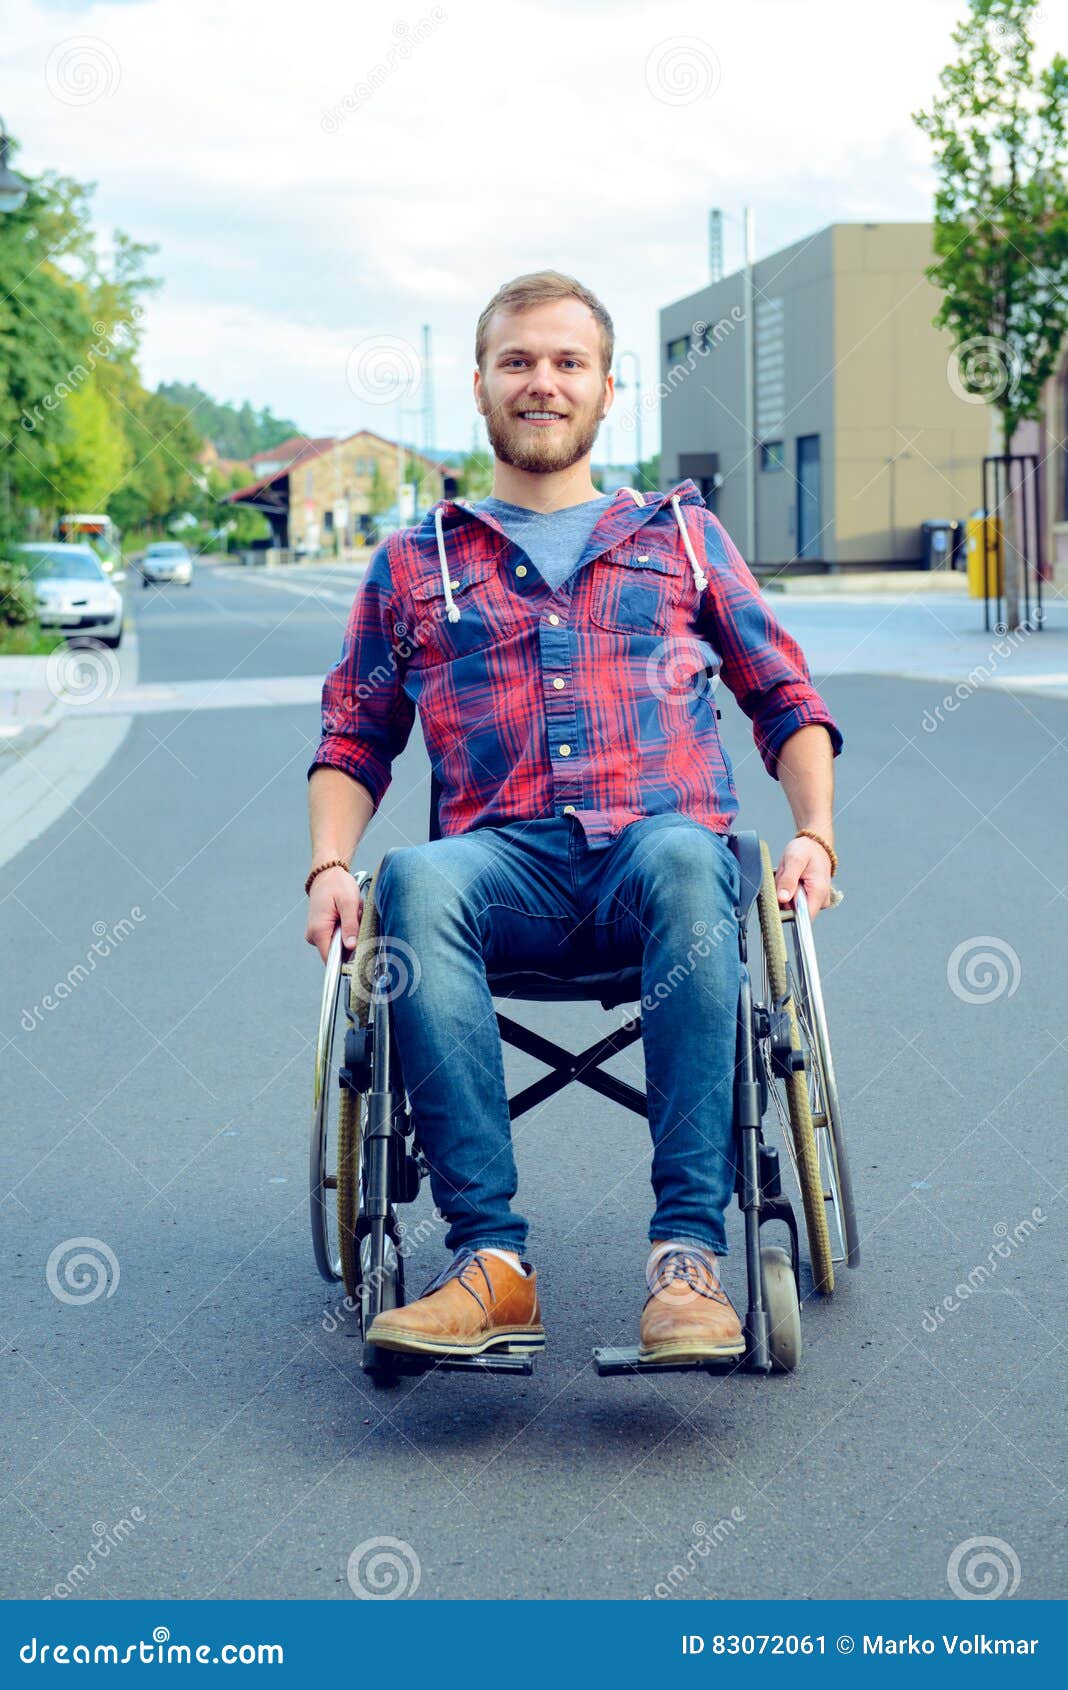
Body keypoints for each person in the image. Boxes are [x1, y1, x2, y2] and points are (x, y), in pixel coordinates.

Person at [305, 271, 843, 1364]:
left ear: (606, 391)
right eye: (517, 362)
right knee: (415, 873)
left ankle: (687, 1262)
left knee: (696, 855)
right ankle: (489, 1262)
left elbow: (785, 697)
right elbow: (355, 738)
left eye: (566, 363)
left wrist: (815, 833)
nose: (541, 383)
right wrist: (328, 864)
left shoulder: (682, 538)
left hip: (660, 866)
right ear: (481, 386)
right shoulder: (419, 561)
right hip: (498, 878)